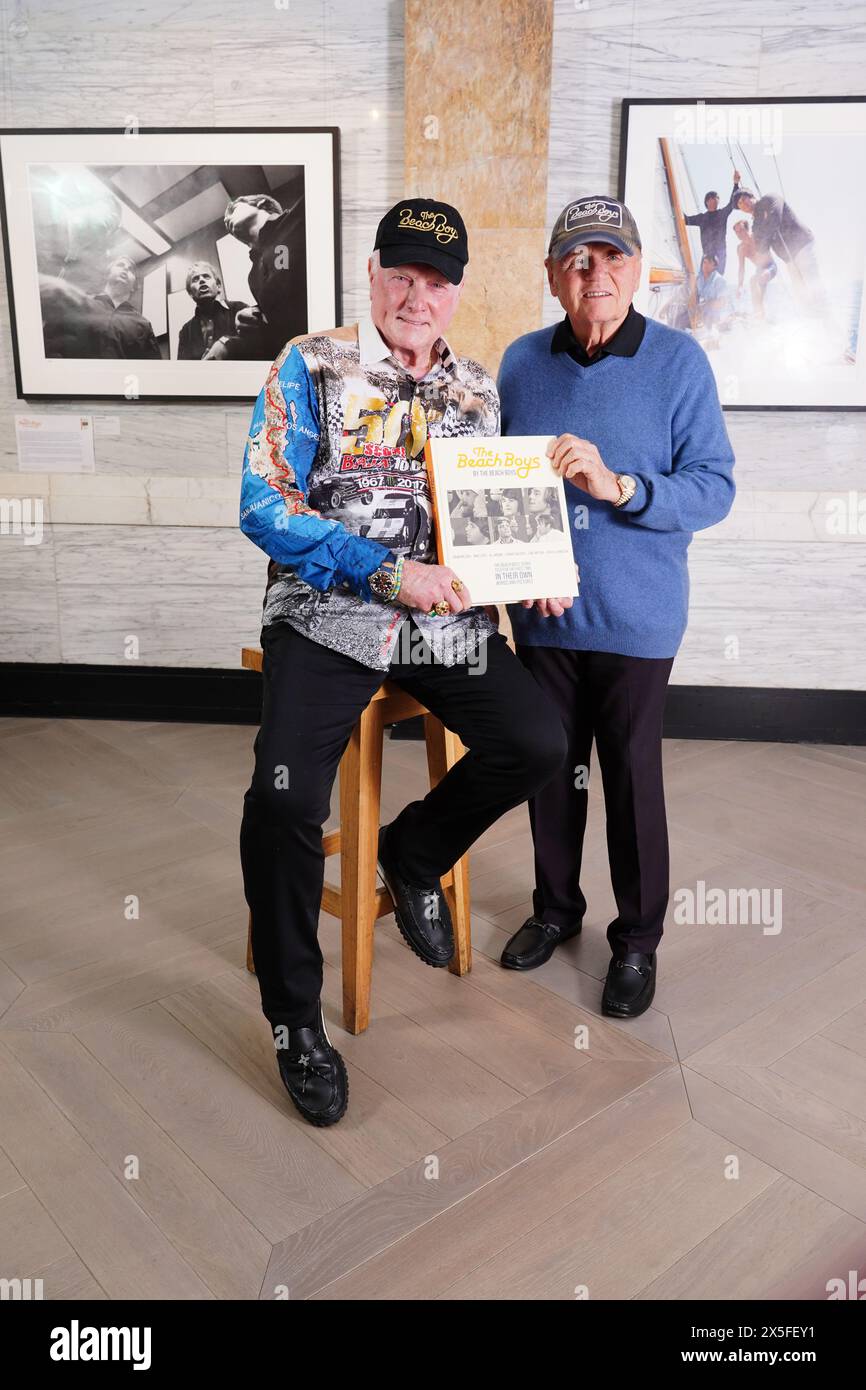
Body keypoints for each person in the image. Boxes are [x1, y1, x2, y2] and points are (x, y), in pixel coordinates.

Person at [239, 197, 568, 1127]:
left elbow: (483, 511)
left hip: (441, 625)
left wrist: (526, 571)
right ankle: (296, 1020)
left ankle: (410, 853)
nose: (416, 297)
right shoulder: (310, 365)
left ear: (456, 295)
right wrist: (386, 569)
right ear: (374, 275)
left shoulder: (476, 390)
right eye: (401, 276)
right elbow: (262, 507)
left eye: (436, 282)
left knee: (539, 743)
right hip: (327, 613)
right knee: (282, 800)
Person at [497, 195, 735, 1018]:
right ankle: (556, 909)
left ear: (637, 269)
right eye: (576, 257)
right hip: (544, 614)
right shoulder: (522, 362)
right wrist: (504, 564)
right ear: (554, 275)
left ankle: (635, 941)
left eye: (610, 255)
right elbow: (498, 482)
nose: (593, 271)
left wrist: (621, 486)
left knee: (631, 778)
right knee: (549, 771)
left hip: (638, 617)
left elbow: (715, 488)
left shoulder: (679, 362)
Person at [219, 193, 308, 358]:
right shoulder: (252, 277)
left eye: (233, 209)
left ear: (261, 203)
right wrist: (255, 317)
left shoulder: (302, 214)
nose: (226, 219)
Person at [41, 254, 162, 359]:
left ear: (134, 286)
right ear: (107, 275)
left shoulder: (143, 324)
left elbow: (152, 368)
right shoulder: (78, 304)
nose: (125, 269)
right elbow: (49, 346)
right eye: (120, 265)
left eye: (130, 270)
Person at [734, 189, 824, 314]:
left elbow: (774, 221)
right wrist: (764, 227)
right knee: (801, 296)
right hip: (789, 260)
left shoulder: (770, 199)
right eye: (740, 204)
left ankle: (830, 325)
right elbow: (761, 246)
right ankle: (816, 325)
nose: (743, 204)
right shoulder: (755, 224)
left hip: (802, 247)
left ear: (752, 196)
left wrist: (764, 230)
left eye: (744, 199)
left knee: (814, 287)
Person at [177, 261, 248, 359]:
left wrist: (226, 344)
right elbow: (183, 368)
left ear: (218, 285)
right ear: (191, 294)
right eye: (195, 279)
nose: (201, 280)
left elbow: (258, 342)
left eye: (206, 276)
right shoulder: (185, 331)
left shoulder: (239, 308)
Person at [683, 171, 740, 275]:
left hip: (720, 254)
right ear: (707, 201)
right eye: (713, 197)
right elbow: (685, 220)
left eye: (717, 198)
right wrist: (674, 205)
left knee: (717, 281)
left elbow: (732, 203)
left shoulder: (722, 214)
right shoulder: (701, 218)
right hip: (707, 255)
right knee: (703, 283)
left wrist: (736, 184)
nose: (715, 199)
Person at [733, 219, 777, 318]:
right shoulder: (741, 249)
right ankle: (760, 318)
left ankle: (760, 314)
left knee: (755, 280)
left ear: (747, 229)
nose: (739, 234)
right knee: (757, 295)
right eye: (737, 232)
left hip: (771, 267)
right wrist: (740, 286)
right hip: (760, 270)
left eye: (741, 230)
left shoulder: (757, 237)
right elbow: (741, 268)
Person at [695, 253, 729, 329]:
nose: (706, 265)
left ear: (714, 266)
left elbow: (722, 303)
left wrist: (705, 305)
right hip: (704, 317)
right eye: (704, 262)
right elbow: (694, 295)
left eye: (709, 263)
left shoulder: (719, 280)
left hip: (718, 318)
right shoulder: (698, 279)